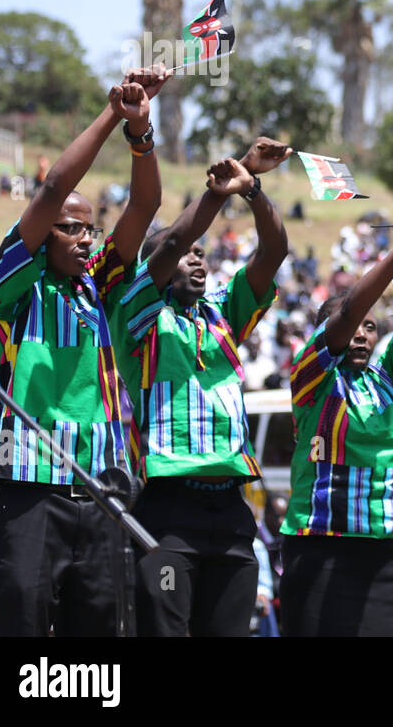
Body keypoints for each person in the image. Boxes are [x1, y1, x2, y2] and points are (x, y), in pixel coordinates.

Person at [0, 66, 169, 636]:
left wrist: (142, 131)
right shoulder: (10, 292)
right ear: (38, 236)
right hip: (30, 495)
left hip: (105, 494)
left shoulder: (103, 286)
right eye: (68, 230)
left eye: (89, 230)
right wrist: (114, 110)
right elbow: (54, 188)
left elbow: (146, 204)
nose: (85, 239)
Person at [116, 138, 291, 636]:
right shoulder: (136, 318)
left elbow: (274, 250)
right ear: (152, 274)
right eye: (183, 255)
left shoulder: (223, 312)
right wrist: (217, 192)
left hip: (231, 512)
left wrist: (253, 189)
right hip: (168, 510)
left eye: (201, 253)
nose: (195, 260)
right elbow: (168, 243)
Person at [279, 218, 393, 636]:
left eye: (370, 328)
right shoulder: (311, 380)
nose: (360, 335)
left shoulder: (389, 379)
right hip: (321, 543)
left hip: (392, 548)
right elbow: (348, 309)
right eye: (352, 327)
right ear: (324, 332)